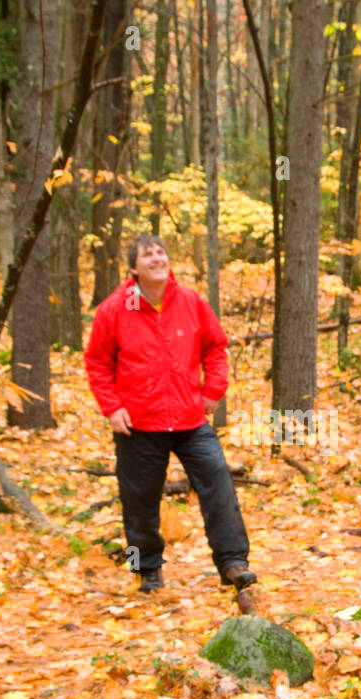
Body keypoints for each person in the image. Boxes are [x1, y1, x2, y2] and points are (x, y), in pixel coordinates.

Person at [84, 235, 256, 594]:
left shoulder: (190, 302)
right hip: (137, 425)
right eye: (147, 255)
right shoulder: (115, 308)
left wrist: (213, 392)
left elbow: (216, 349)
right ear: (134, 268)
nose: (157, 258)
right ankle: (142, 569)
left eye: (161, 252)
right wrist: (112, 407)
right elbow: (97, 362)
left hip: (190, 419)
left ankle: (234, 563)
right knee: (137, 501)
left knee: (219, 486)